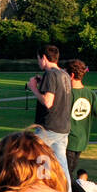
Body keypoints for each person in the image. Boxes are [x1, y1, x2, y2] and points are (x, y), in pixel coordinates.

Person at [28, 45, 72, 181]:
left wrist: (34, 88)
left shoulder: (50, 74)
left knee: (39, 160)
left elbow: (48, 102)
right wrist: (43, 83)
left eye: (38, 59)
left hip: (48, 128)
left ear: (44, 58)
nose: (38, 62)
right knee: (62, 165)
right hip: (63, 127)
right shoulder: (64, 74)